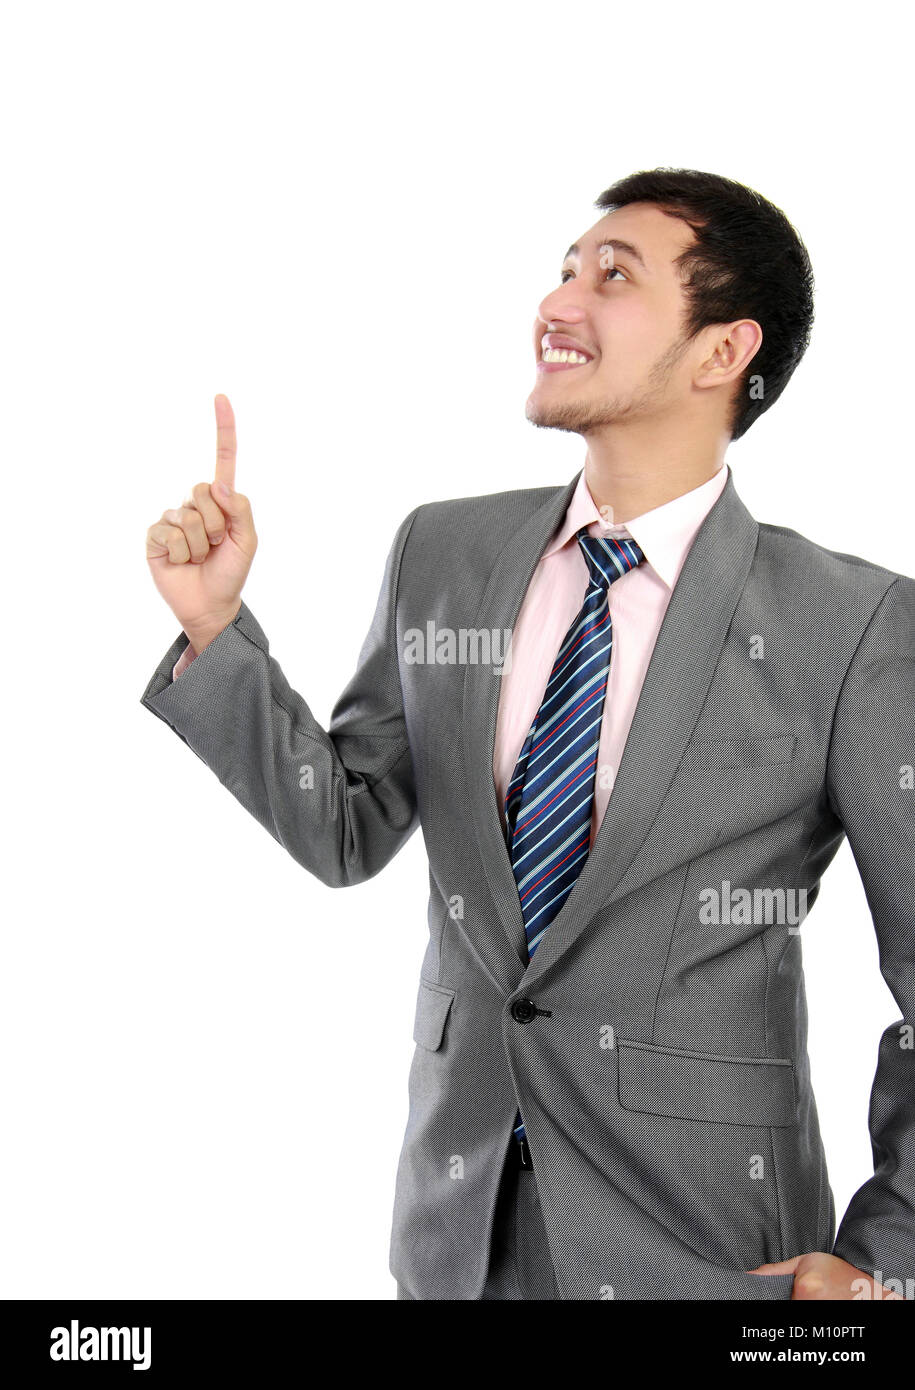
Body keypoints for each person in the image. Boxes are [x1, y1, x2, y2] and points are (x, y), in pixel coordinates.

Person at [142, 168, 914, 1301]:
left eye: (614, 275)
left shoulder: (848, 622)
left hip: (712, 1251)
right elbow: (346, 825)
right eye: (562, 270)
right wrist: (217, 629)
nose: (560, 302)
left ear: (722, 352)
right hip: (460, 1235)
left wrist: (884, 1259)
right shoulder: (443, 556)